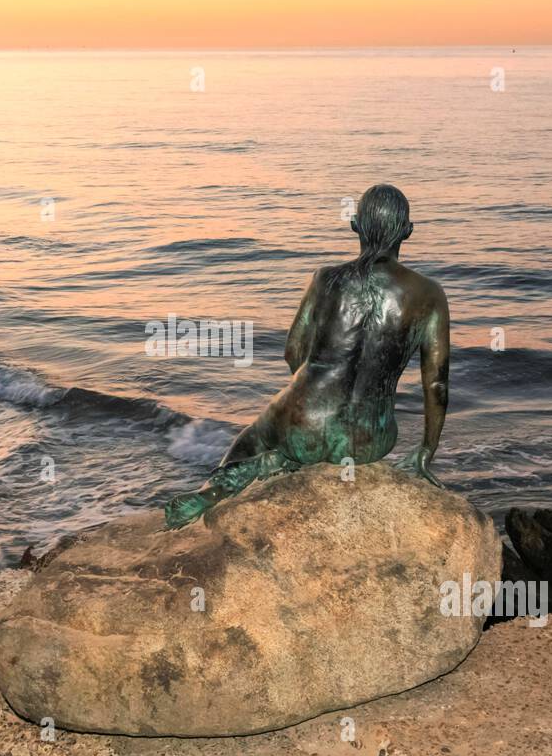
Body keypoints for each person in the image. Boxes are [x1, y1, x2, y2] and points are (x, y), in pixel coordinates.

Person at [164, 183, 450, 529]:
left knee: (250, 440)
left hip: (304, 419)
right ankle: (283, 460)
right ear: (408, 231)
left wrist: (309, 397)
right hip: (369, 442)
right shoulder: (431, 296)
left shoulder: (326, 279)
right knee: (324, 436)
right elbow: (436, 383)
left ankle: (216, 489)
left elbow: (293, 351)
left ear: (355, 225)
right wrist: (425, 451)